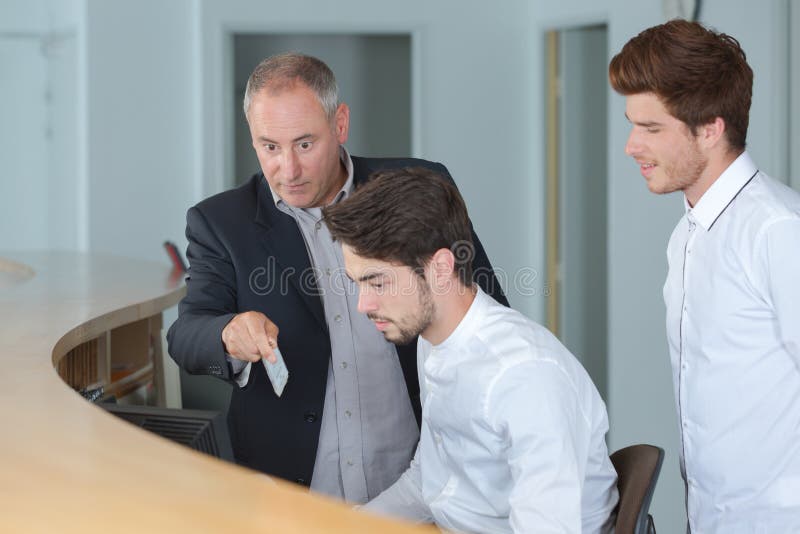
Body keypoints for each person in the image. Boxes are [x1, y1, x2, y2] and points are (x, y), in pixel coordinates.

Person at [166, 53, 507, 503]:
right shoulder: (220, 221)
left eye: (305, 144)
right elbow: (186, 334)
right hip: (291, 490)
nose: (288, 169)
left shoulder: (418, 186)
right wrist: (227, 333)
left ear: (340, 124)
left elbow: (486, 310)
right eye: (270, 147)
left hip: (425, 473)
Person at [323, 167, 618, 533]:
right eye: (357, 283)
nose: (363, 305)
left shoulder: (524, 375)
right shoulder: (433, 340)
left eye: (377, 282)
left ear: (441, 268)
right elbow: (428, 483)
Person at [610, 19, 800, 532]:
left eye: (651, 128)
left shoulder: (777, 230)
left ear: (711, 128)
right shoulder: (689, 233)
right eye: (633, 124)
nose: (631, 146)